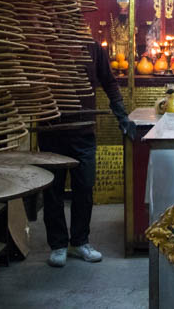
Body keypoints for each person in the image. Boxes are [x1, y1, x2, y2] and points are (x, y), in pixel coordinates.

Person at [38, 40, 134, 267]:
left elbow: (109, 82)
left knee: (85, 187)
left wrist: (121, 115)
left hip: (83, 132)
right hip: (51, 130)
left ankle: (80, 241)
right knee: (53, 191)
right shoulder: (45, 44)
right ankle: (58, 244)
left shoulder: (92, 48)